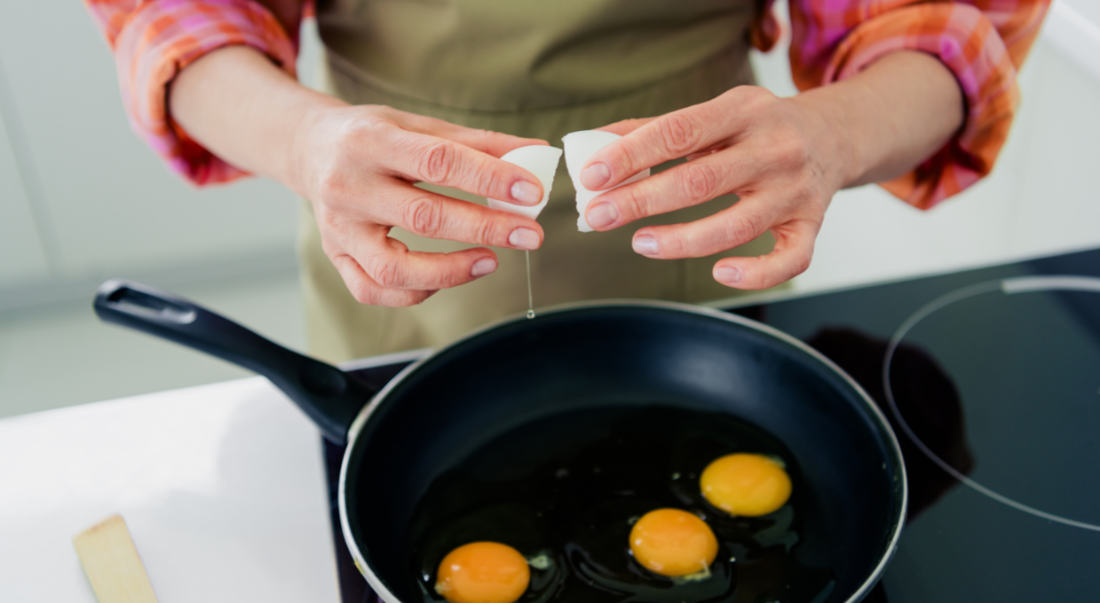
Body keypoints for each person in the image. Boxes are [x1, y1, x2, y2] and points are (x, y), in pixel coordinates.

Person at [84, 0, 1049, 362]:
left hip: (699, 237)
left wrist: (833, 133)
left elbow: (941, 22)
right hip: (397, 260)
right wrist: (308, 145)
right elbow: (176, 17)